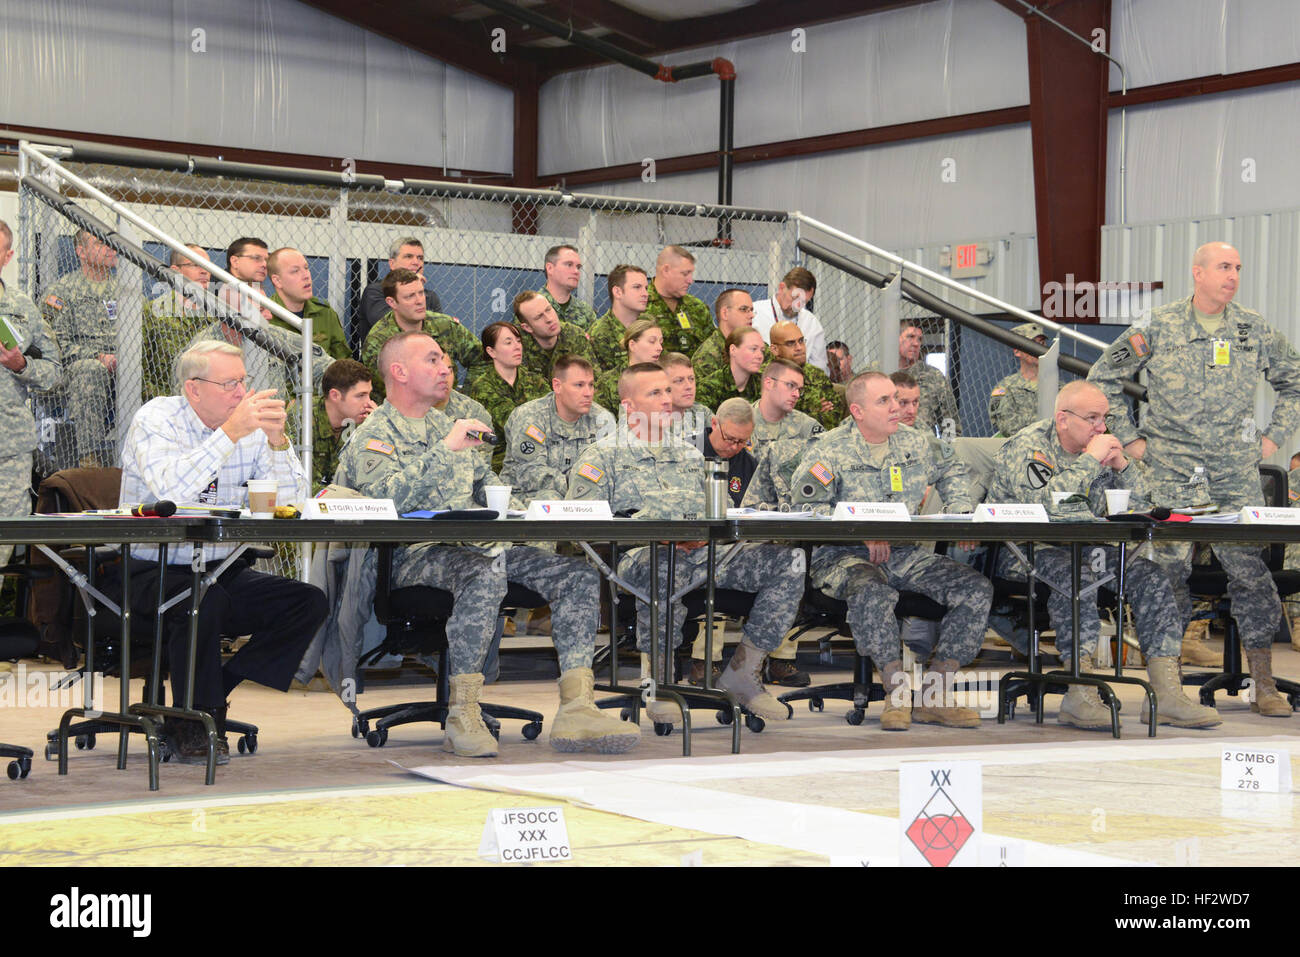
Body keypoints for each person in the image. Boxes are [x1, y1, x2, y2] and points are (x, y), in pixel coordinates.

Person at [336, 331, 638, 757]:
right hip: (410, 556)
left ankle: (577, 707)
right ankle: (463, 712)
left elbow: (491, 491)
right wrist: (446, 449)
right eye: (432, 360)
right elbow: (385, 502)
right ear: (399, 372)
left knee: (577, 576)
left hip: (480, 546)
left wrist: (537, 511)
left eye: (444, 360)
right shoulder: (374, 433)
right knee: (483, 573)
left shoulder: (449, 426)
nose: (445, 368)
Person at [1088, 241, 1300, 718]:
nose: (1233, 276)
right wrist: (1131, 439)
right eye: (1224, 267)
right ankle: (1168, 690)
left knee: (1251, 574)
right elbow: (1103, 378)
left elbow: (1295, 381)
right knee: (1166, 577)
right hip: (1172, 470)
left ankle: (1264, 684)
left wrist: (1273, 438)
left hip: (1234, 474)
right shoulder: (1158, 325)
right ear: (1198, 273)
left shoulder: (1253, 327)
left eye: (1238, 268)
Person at [115, 341, 328, 763]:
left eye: (243, 382)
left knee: (306, 602)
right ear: (194, 389)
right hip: (151, 570)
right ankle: (195, 721)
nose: (241, 393)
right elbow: (171, 492)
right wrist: (228, 434)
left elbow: (292, 502)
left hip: (221, 567)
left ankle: (207, 700)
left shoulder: (251, 430)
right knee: (201, 601)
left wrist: (278, 441)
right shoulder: (156, 419)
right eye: (230, 384)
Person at [567, 363, 805, 727]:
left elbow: (719, 514)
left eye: (668, 390)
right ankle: (658, 682)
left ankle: (743, 672)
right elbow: (582, 525)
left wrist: (709, 531)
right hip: (639, 558)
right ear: (629, 406)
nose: (667, 399)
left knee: (790, 561)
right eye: (655, 393)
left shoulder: (691, 455)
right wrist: (657, 535)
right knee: (665, 563)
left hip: (702, 553)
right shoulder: (602, 456)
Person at [987, 381, 1221, 729]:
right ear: (1063, 419)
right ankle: (1079, 691)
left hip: (1086, 549)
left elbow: (1146, 505)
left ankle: (1167, 694)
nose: (1101, 427)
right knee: (1075, 574)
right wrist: (1090, 461)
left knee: (1150, 576)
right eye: (1092, 418)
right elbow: (1047, 507)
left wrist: (1122, 466)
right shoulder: (1027, 447)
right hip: (1024, 550)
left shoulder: (1101, 449)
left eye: (1105, 418)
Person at [791, 372, 992, 731]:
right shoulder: (828, 450)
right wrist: (859, 529)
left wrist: (961, 513)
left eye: (896, 399)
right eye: (884, 401)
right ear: (858, 411)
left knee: (975, 588)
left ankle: (934, 695)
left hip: (903, 553)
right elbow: (807, 508)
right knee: (872, 591)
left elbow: (956, 471)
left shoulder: (916, 442)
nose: (896, 407)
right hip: (843, 556)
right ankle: (896, 692)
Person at [0, 219, 62, 561]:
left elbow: (54, 372)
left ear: (8, 256)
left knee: (5, 536)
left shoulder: (23, 308)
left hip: (9, 447)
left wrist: (21, 365)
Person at [689, 397, 758, 686]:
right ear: (714, 424)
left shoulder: (748, 463)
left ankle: (750, 668)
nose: (735, 447)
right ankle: (700, 661)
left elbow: (756, 509)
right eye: (730, 439)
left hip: (732, 546)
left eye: (743, 441)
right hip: (688, 547)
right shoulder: (686, 451)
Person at [39, 229, 119, 466]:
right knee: (91, 369)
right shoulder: (61, 292)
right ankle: (89, 458)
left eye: (111, 243)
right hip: (72, 372)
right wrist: (97, 356)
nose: (110, 248)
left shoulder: (126, 292)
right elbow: (53, 344)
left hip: (120, 366)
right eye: (100, 243)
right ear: (81, 252)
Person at [501, 355, 614, 502]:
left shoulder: (602, 420)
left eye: (591, 385)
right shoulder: (530, 417)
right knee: (550, 499)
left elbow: (611, 468)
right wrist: (576, 484)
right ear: (557, 386)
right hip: (526, 497)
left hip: (584, 496)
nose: (588, 393)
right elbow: (529, 473)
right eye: (579, 385)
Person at [360, 268, 483, 402]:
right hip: (402, 408)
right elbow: (390, 389)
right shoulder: (379, 340)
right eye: (410, 296)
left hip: (447, 405)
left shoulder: (445, 325)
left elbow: (481, 360)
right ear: (392, 302)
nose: (419, 301)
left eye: (421, 293)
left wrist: (464, 398)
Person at [466, 321, 550, 470]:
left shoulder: (535, 381)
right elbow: (513, 424)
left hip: (542, 454)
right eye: (508, 342)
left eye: (518, 341)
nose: (517, 347)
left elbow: (553, 415)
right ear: (491, 352)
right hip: (503, 461)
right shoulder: (483, 387)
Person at [141, 244, 215, 401]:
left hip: (208, 400)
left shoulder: (218, 315)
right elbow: (140, 370)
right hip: (164, 399)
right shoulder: (153, 311)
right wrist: (168, 401)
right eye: (196, 264)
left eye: (207, 266)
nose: (204, 271)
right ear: (176, 271)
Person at [266, 247, 351, 362]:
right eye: (295, 271)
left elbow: (343, 361)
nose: (306, 275)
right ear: (277, 281)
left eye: (306, 268)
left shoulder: (324, 313)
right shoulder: (266, 316)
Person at [356, 237, 442, 348]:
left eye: (420, 258)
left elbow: (440, 331)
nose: (416, 262)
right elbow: (392, 328)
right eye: (408, 256)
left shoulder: (430, 297)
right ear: (392, 264)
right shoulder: (375, 292)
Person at [768, 319, 846, 429]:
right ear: (775, 349)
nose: (799, 348)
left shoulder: (816, 374)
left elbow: (833, 412)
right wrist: (813, 414)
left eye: (801, 341)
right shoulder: (767, 378)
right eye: (791, 343)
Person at [311, 358, 375, 491]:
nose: (368, 403)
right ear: (335, 395)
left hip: (344, 498)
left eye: (369, 394)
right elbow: (302, 485)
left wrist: (378, 427)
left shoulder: (366, 421)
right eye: (360, 395)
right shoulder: (303, 420)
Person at [642, 246, 715, 356]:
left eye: (691, 274)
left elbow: (712, 349)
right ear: (666, 270)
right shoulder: (640, 305)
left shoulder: (697, 307)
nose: (690, 281)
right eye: (685, 274)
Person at [752, 267, 827, 373]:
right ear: (781, 288)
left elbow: (819, 368)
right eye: (795, 298)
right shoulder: (754, 313)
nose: (797, 306)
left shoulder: (811, 323)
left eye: (803, 302)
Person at [512, 289, 594, 381]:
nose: (549, 319)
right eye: (539, 317)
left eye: (548, 310)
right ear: (527, 327)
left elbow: (592, 378)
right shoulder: (516, 345)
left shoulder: (575, 335)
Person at [898, 319, 960, 438]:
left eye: (919, 339)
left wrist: (948, 448)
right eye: (910, 337)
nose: (916, 344)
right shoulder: (875, 373)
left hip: (923, 445)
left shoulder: (933, 376)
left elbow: (950, 424)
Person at [988, 322, 1049, 437]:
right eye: (1032, 343)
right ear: (1017, 351)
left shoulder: (1058, 386)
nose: (1039, 349)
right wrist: (1048, 422)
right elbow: (1008, 427)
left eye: (1042, 343)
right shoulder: (1005, 387)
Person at [588, 264, 649, 375]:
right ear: (617, 292)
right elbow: (599, 381)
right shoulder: (600, 334)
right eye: (637, 287)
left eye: (646, 288)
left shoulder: (648, 325)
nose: (645, 294)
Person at [594, 319, 662, 414]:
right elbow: (599, 419)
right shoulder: (608, 381)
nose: (660, 348)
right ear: (632, 345)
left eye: (661, 342)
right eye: (652, 341)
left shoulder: (665, 377)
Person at [695, 326, 765, 411]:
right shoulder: (708, 388)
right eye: (753, 349)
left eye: (762, 351)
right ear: (733, 350)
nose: (760, 356)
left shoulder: (765, 384)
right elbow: (696, 419)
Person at [691, 289, 755, 382]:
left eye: (751, 310)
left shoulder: (755, 347)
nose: (752, 315)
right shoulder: (707, 356)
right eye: (743, 309)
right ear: (725, 313)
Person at [540, 244, 598, 332]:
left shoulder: (586, 312)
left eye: (578, 267)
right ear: (550, 268)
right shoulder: (532, 307)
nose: (576, 271)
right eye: (569, 265)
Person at [663, 352, 711, 441]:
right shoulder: (652, 422)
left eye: (691, 379)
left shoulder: (701, 412)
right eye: (679, 381)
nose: (689, 386)